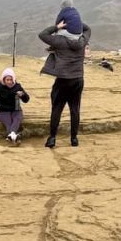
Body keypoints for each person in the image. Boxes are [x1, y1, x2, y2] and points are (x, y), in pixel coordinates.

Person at [39, 20, 92, 148]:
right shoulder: (82, 41)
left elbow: (43, 34)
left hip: (62, 80)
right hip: (78, 79)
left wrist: (59, 25)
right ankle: (74, 139)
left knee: (57, 109)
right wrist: (75, 21)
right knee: (75, 109)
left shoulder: (59, 41)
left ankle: (52, 138)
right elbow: (88, 28)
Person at [0, 68, 30, 145]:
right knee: (8, 123)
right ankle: (14, 137)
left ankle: (11, 137)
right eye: (7, 80)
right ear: (3, 80)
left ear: (13, 79)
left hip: (16, 109)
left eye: (10, 79)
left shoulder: (18, 87)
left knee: (17, 120)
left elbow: (26, 100)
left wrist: (22, 95)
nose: (9, 82)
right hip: (3, 110)